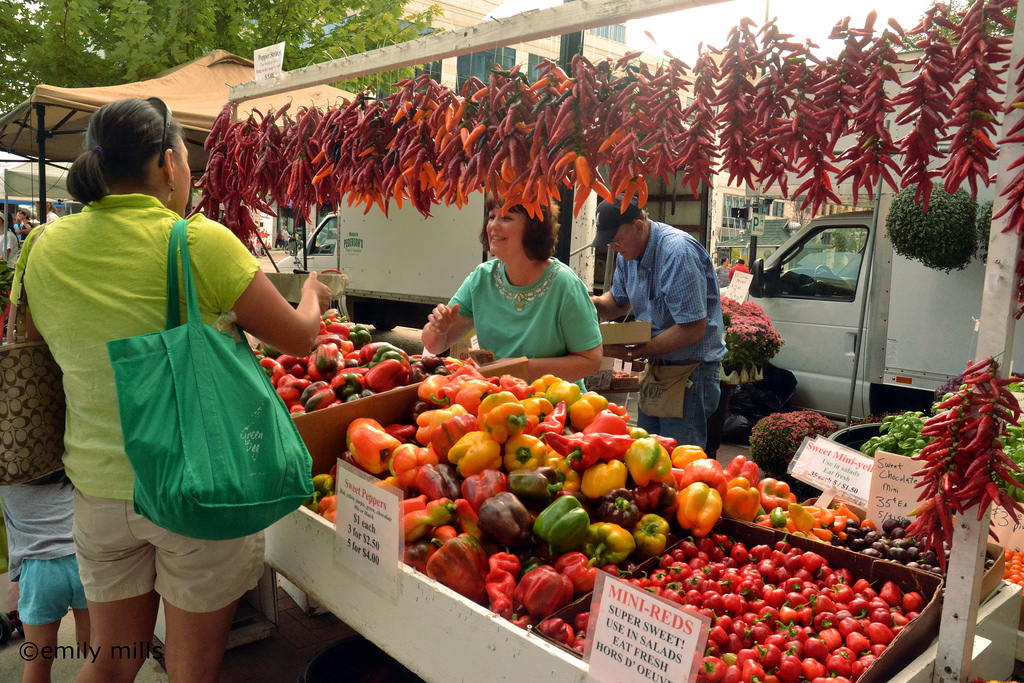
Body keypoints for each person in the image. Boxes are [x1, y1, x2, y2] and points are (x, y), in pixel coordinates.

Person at [18, 97, 332, 683]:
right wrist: (314, 291)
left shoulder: (41, 248)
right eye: (186, 160)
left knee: (110, 666)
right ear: (167, 163)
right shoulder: (196, 242)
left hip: (97, 493)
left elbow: (49, 347)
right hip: (194, 488)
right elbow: (298, 339)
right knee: (191, 672)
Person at [590, 195, 726, 449]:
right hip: (658, 369)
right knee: (647, 454)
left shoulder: (677, 252)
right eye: (610, 244)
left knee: (678, 463)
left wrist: (634, 352)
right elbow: (618, 304)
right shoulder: (627, 255)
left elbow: (692, 329)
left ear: (639, 226)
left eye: (616, 240)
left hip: (691, 373)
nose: (614, 248)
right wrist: (589, 301)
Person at [422, 196, 602, 382]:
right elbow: (434, 346)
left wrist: (517, 369)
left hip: (553, 402)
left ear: (534, 228)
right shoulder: (481, 278)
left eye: (506, 218)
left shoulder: (564, 284)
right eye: (492, 217)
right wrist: (438, 329)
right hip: (497, 398)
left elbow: (591, 361)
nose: (493, 226)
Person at [0, 472, 91, 683]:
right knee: (95, 651)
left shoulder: (7, 472)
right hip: (83, 559)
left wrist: (16, 574)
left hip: (38, 570)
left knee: (37, 661)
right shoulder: (68, 462)